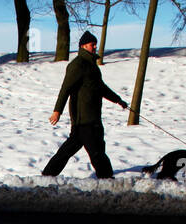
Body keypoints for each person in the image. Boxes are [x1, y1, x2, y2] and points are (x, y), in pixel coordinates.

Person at [42, 31, 129, 179]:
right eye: (91, 44)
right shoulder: (77, 65)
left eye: (95, 44)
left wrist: (118, 100)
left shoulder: (92, 66)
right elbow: (65, 89)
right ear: (83, 46)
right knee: (97, 151)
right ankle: (107, 179)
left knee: (71, 149)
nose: (95, 47)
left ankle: (48, 174)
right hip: (85, 119)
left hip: (92, 117)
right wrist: (57, 111)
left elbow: (101, 88)